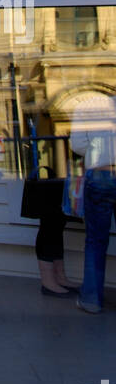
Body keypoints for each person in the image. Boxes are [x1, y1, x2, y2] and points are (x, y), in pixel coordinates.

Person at [69, 90, 116, 314]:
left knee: (96, 241)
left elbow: (77, 146)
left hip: (99, 174)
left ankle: (91, 300)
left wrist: (98, 149)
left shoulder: (84, 107)